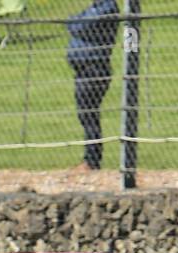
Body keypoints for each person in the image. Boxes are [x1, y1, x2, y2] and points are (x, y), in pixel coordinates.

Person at [66, 0, 119, 171]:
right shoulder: (95, 7)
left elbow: (79, 27)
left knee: (89, 115)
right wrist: (75, 23)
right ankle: (90, 159)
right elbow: (74, 23)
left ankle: (92, 161)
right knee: (85, 115)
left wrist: (75, 23)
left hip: (94, 69)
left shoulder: (107, 8)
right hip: (83, 70)